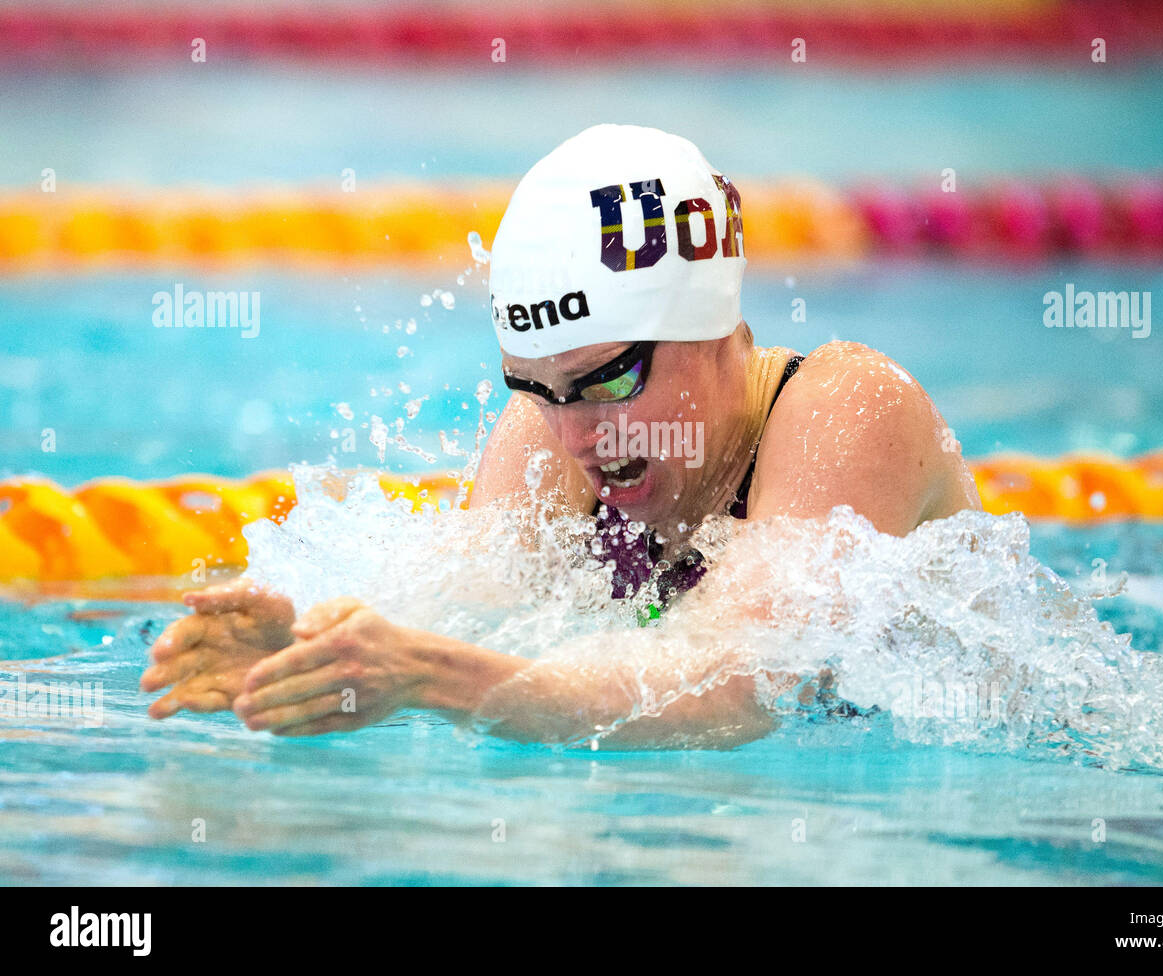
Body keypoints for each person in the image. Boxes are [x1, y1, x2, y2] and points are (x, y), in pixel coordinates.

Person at [141, 124, 981, 748]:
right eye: (539, 390)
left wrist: (432, 676)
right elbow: (459, 620)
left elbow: (739, 680)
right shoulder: (546, 429)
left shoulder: (847, 409)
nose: (577, 433)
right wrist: (308, 663)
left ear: (715, 327)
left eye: (612, 379)